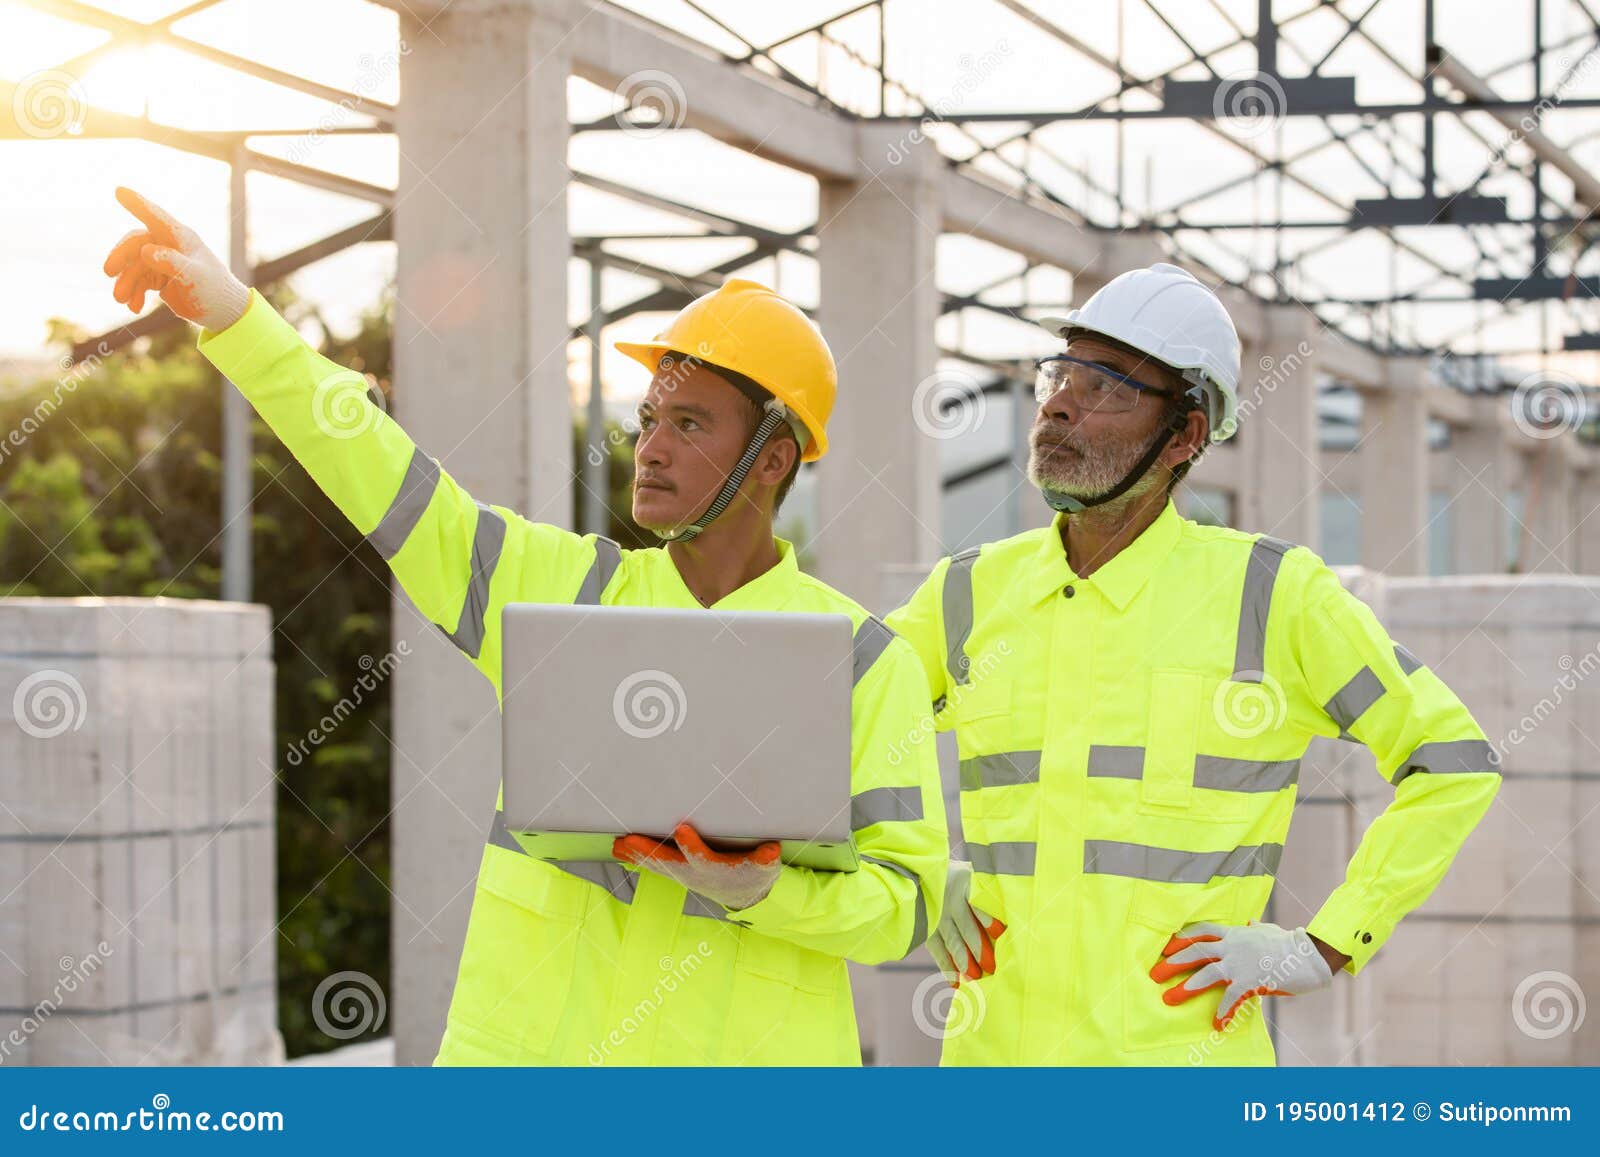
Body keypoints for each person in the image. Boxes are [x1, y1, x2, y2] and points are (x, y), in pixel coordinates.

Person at [103, 187, 946, 1066]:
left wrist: (767, 891)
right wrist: (239, 318)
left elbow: (910, 906)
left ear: (773, 459)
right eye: (650, 417)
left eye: (689, 424)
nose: (649, 446)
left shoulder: (860, 661)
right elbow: (386, 477)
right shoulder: (563, 594)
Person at [888, 262, 1501, 1065]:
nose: (1063, 402)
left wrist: (1326, 944)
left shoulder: (1272, 594)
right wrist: (920, 869)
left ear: (1185, 435)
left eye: (1107, 385)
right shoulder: (966, 593)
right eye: (1060, 374)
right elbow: (823, 737)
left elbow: (1453, 761)